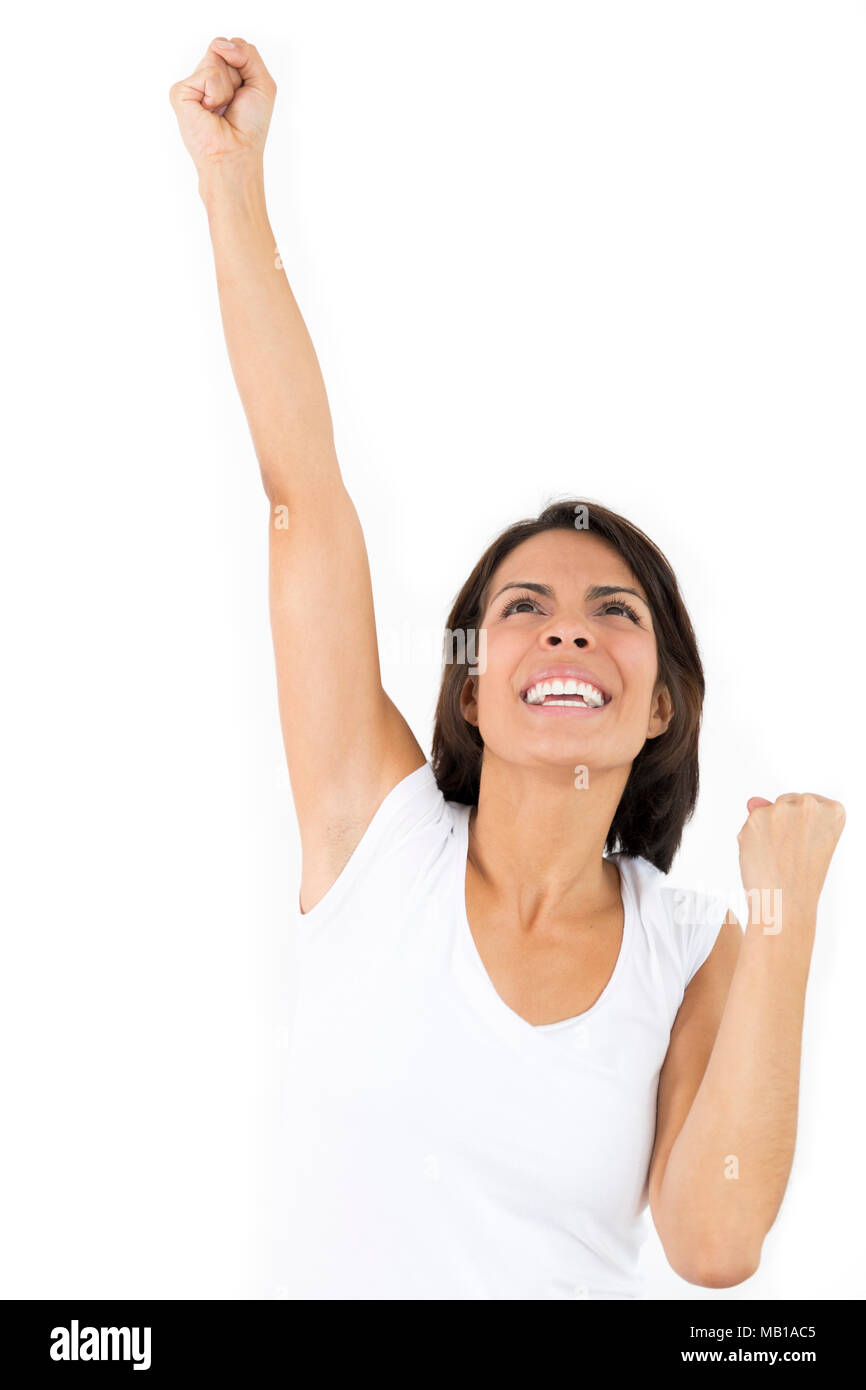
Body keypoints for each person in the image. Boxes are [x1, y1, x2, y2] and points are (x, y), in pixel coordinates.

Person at [170, 36, 847, 1300]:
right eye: (523, 607)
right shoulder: (375, 838)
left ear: (659, 703)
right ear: (472, 683)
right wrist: (231, 183)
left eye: (611, 612)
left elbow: (714, 1244)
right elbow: (301, 500)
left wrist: (784, 918)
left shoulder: (696, 951)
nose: (567, 629)